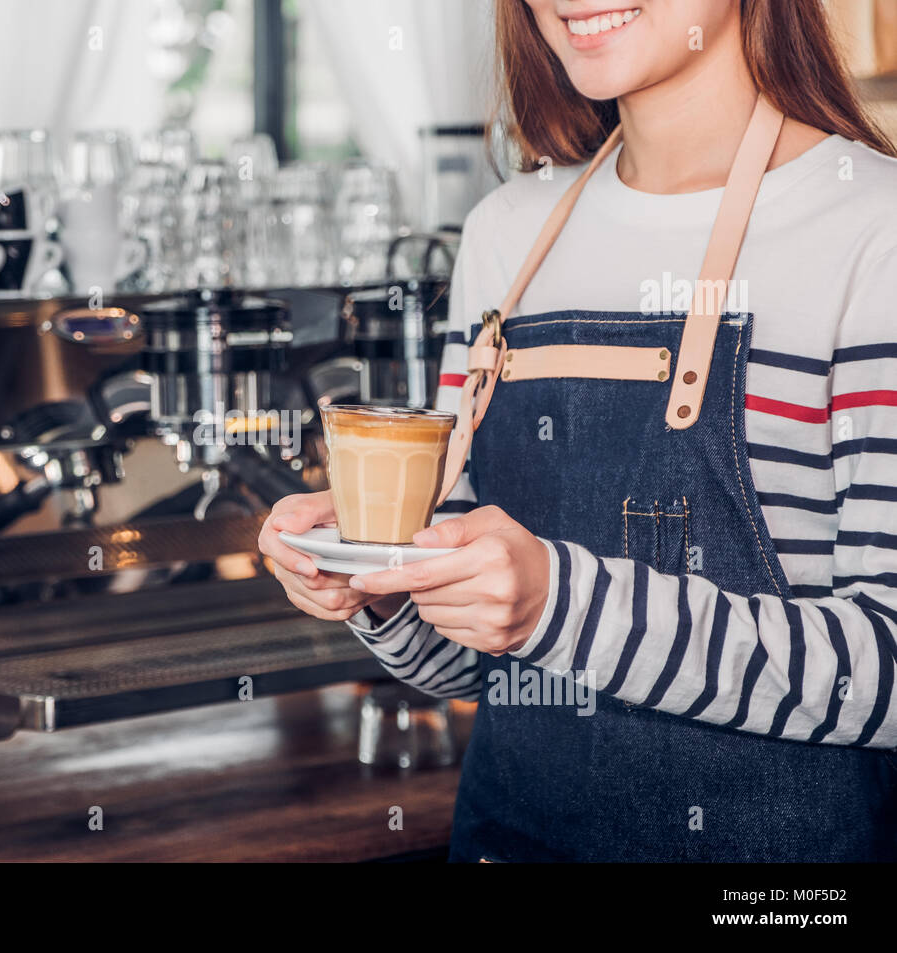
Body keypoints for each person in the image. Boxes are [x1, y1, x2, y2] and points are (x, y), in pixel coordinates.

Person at [258, 0, 897, 861]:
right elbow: (475, 672)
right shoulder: (505, 235)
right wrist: (376, 585)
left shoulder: (873, 230)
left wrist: (557, 600)